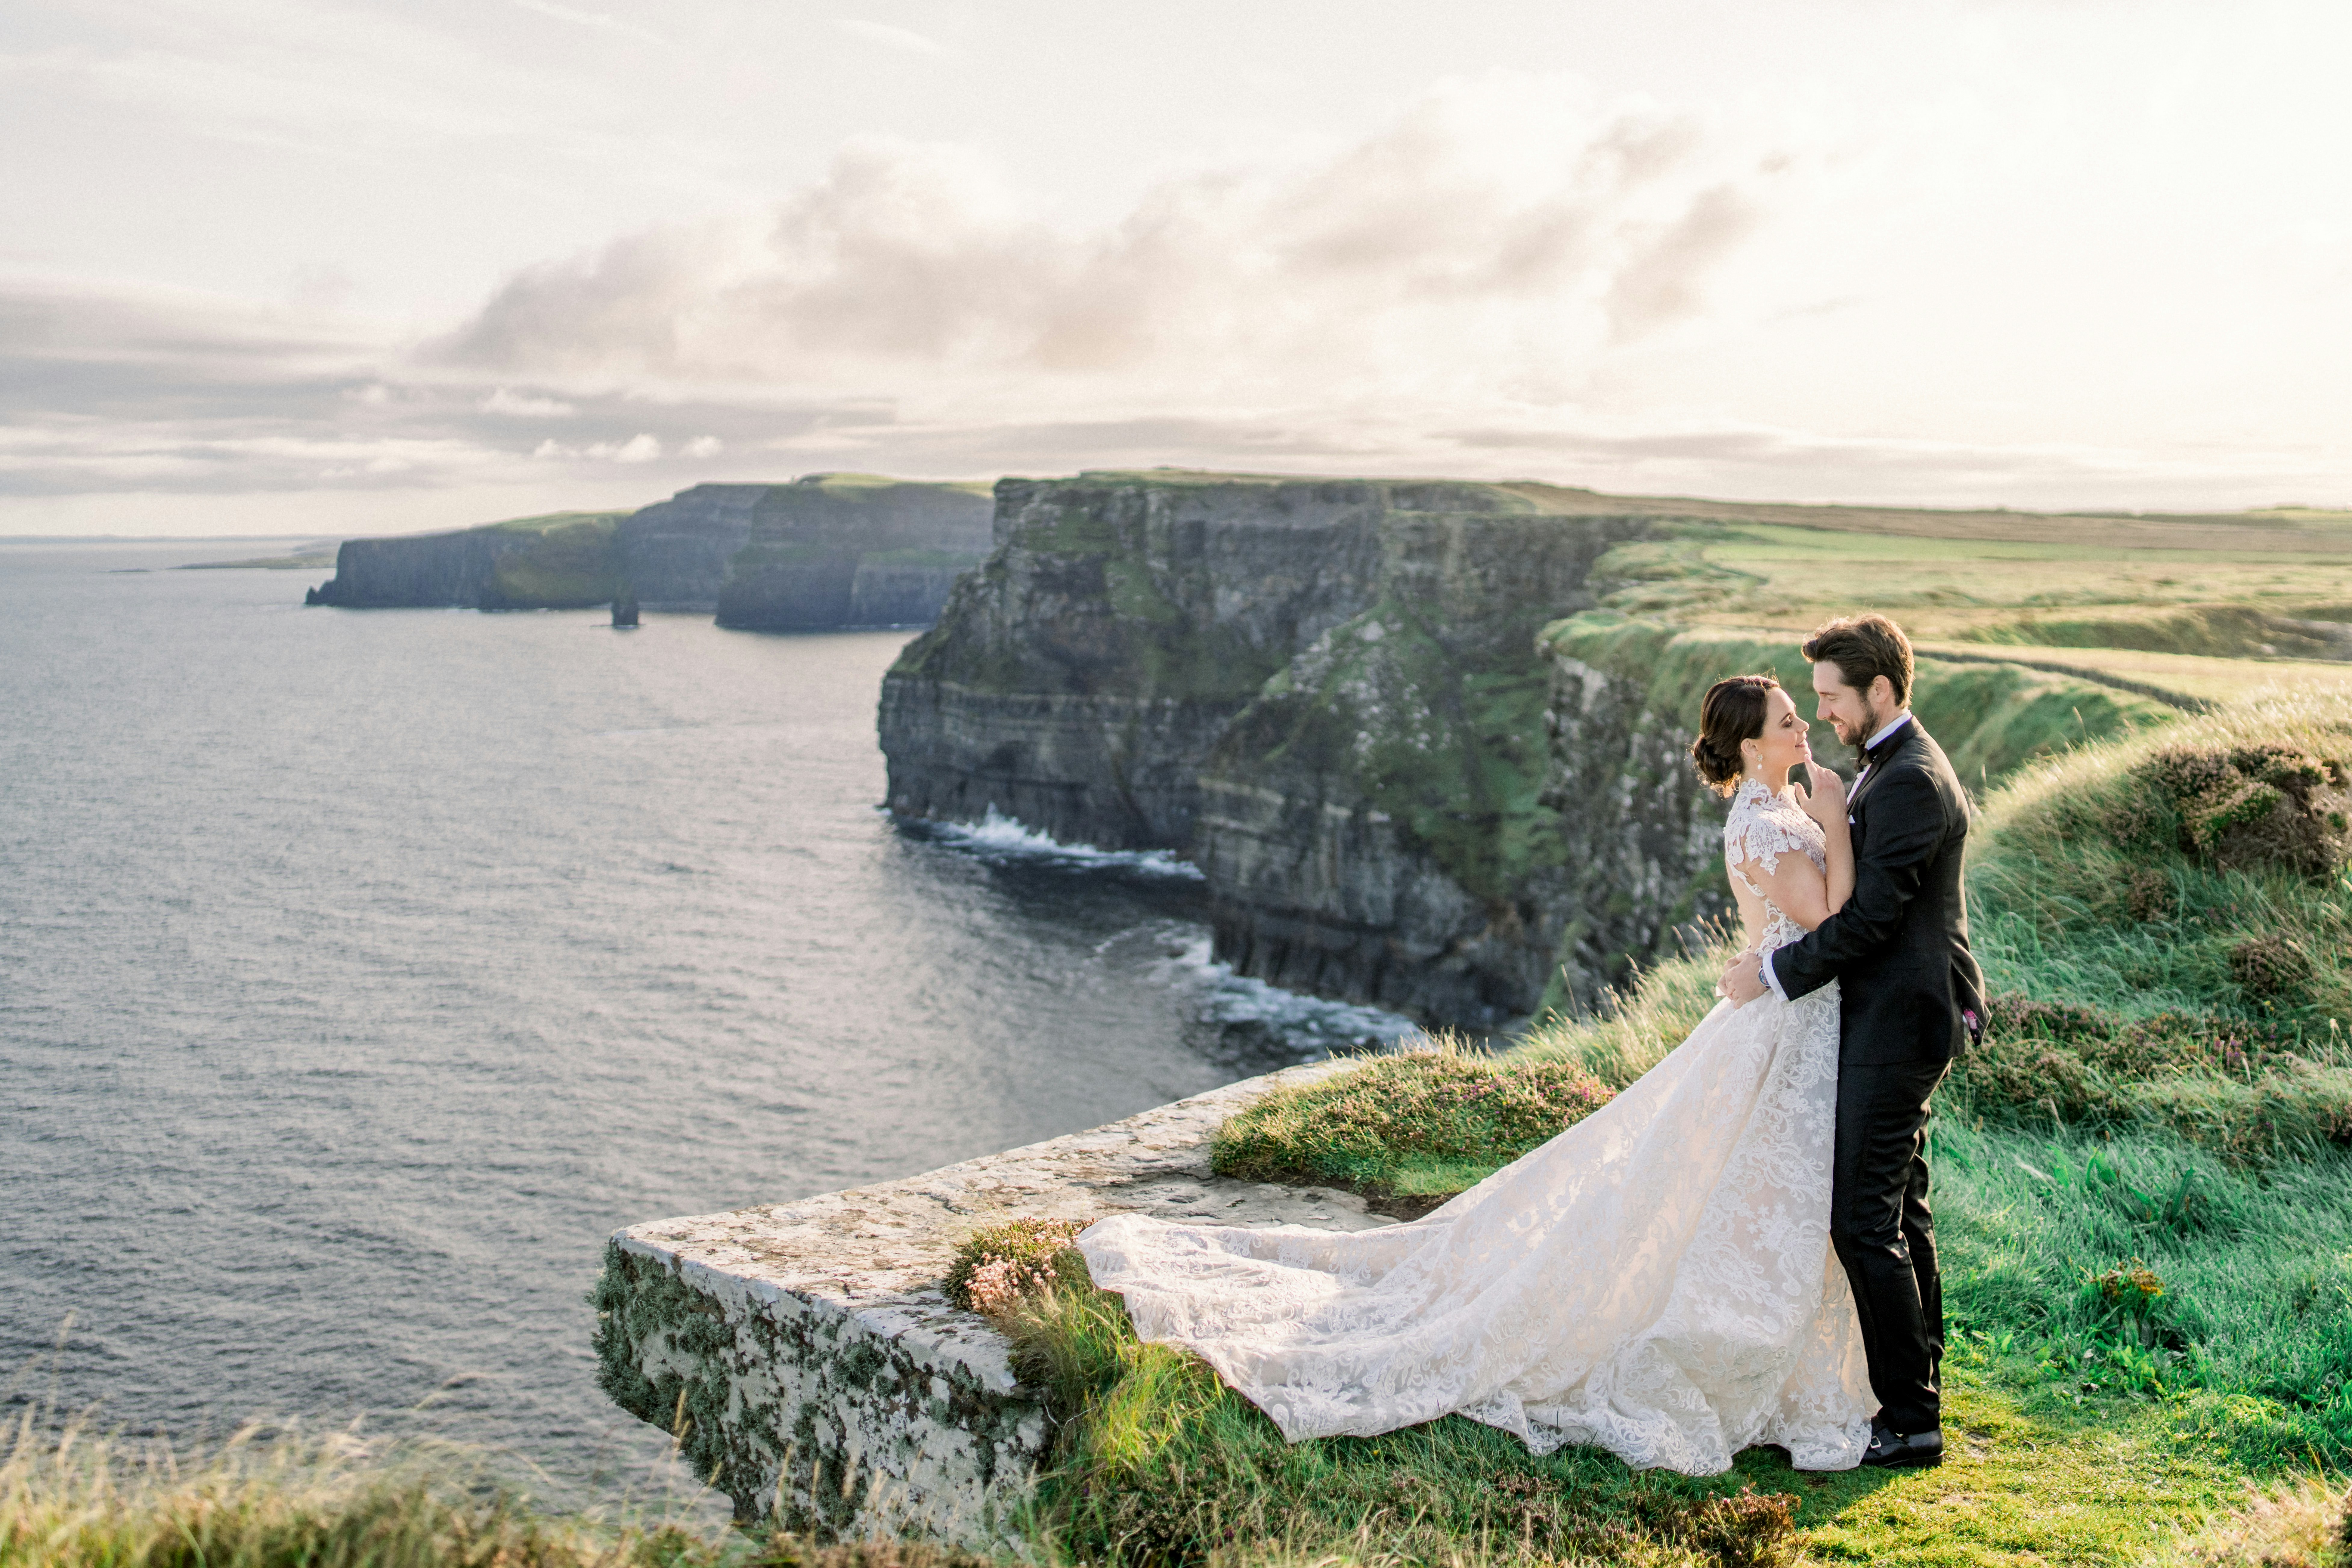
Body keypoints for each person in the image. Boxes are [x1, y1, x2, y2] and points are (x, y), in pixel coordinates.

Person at [1077, 672, 1877, 1475]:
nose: (1801, 723)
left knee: (1757, 1196)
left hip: (1790, 1021)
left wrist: (1819, 824)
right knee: (1752, 1193)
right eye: (1785, 718)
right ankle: (1730, 1347)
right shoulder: (1764, 822)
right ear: (1748, 745)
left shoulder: (1778, 813)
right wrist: (1836, 826)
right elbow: (1831, 920)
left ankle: (1771, 1349)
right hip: (1781, 1025)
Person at [1719, 614, 1984, 1471]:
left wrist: (1775, 971)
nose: (1823, 715)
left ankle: (1908, 1419)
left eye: (1831, 698)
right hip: (1897, 1011)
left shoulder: (1907, 779)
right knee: (1901, 1205)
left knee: (1860, 1219)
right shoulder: (1892, 765)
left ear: (1879, 689)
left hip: (1895, 1020)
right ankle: (1916, 1387)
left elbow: (1868, 918)